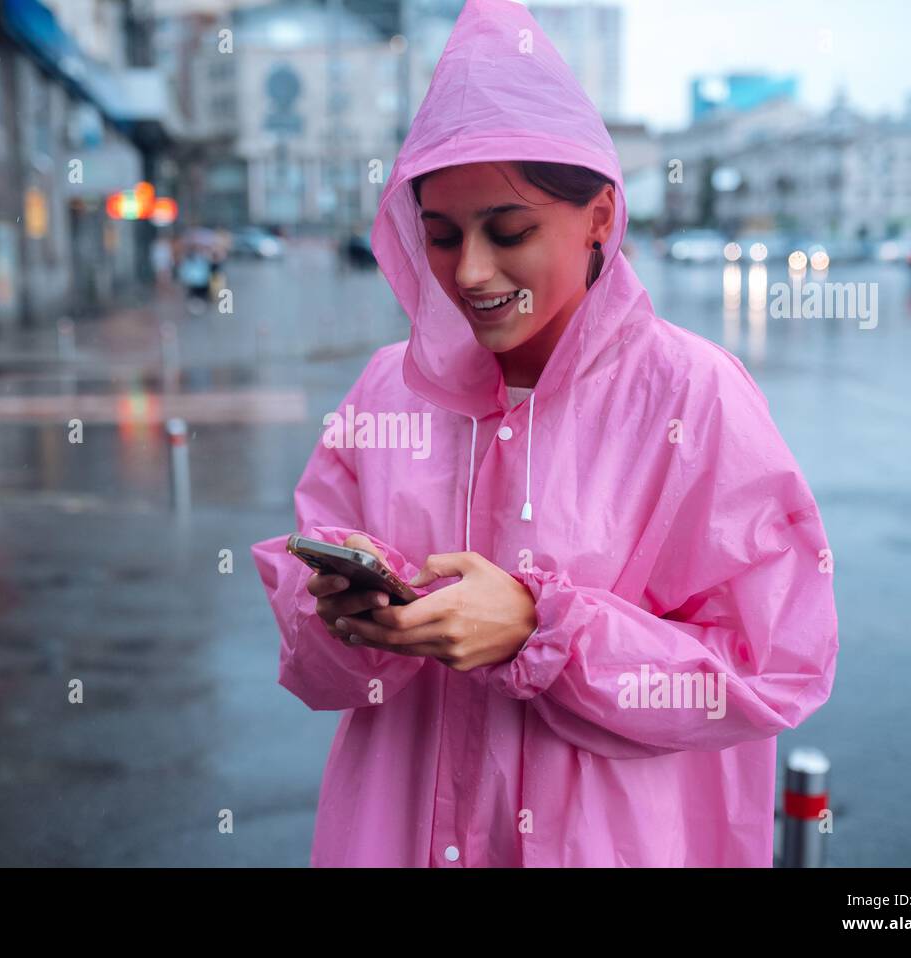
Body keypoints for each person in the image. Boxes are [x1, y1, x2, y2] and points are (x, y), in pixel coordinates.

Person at [250, 0, 837, 867]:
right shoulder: (389, 390)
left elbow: (771, 669)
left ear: (600, 216)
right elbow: (321, 662)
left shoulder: (694, 397)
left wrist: (542, 632)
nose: (470, 273)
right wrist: (343, 617)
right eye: (442, 237)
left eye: (509, 230)